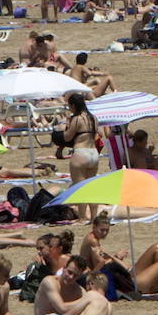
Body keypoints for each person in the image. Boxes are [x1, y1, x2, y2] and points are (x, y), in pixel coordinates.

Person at [61, 92, 100, 221]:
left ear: (73, 105)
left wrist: (66, 124)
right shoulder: (93, 118)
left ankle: (82, 217)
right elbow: (97, 135)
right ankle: (94, 217)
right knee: (91, 187)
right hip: (93, 153)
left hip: (81, 153)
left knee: (80, 187)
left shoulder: (77, 119)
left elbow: (67, 137)